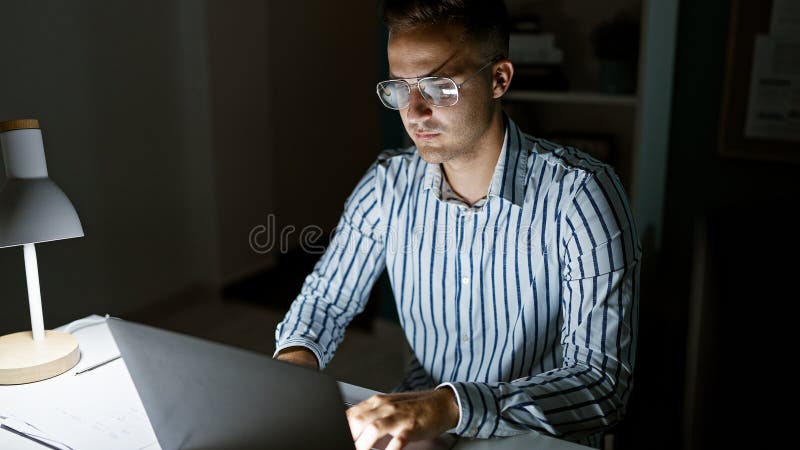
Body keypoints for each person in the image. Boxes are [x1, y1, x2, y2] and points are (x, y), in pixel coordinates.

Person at [274, 1, 640, 449]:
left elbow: (602, 385)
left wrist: (448, 407)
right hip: (423, 422)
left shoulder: (582, 194)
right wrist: (290, 371)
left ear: (499, 78)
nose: (414, 112)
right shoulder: (388, 184)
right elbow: (326, 301)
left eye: (438, 87)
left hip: (536, 433)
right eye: (399, 89)